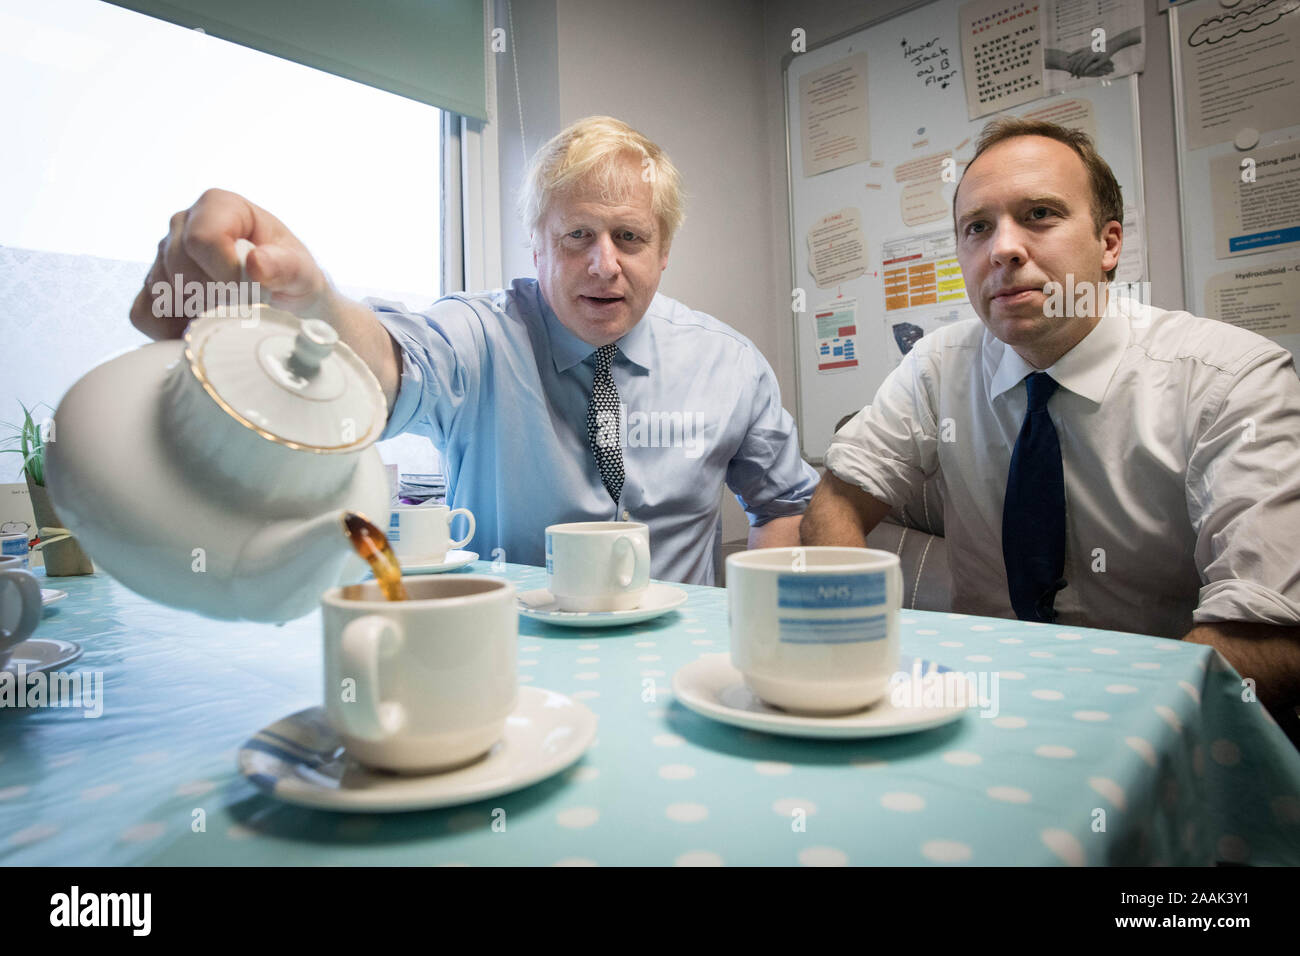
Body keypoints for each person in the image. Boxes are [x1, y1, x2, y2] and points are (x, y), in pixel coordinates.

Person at [130, 116, 819, 585]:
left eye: (630, 238)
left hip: (677, 669)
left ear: (663, 252)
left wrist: (750, 627)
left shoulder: (729, 365)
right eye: (578, 235)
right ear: (538, 246)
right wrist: (311, 306)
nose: (604, 265)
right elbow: (390, 368)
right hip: (509, 667)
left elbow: (783, 502)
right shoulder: (480, 336)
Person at [801, 117, 1300, 728]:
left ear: (1109, 243)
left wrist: (1121, 742)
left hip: (1160, 719)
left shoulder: (1231, 380)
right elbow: (837, 502)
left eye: (1039, 214)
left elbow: (1266, 626)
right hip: (972, 706)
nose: (1002, 249)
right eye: (977, 227)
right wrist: (858, 650)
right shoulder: (937, 366)